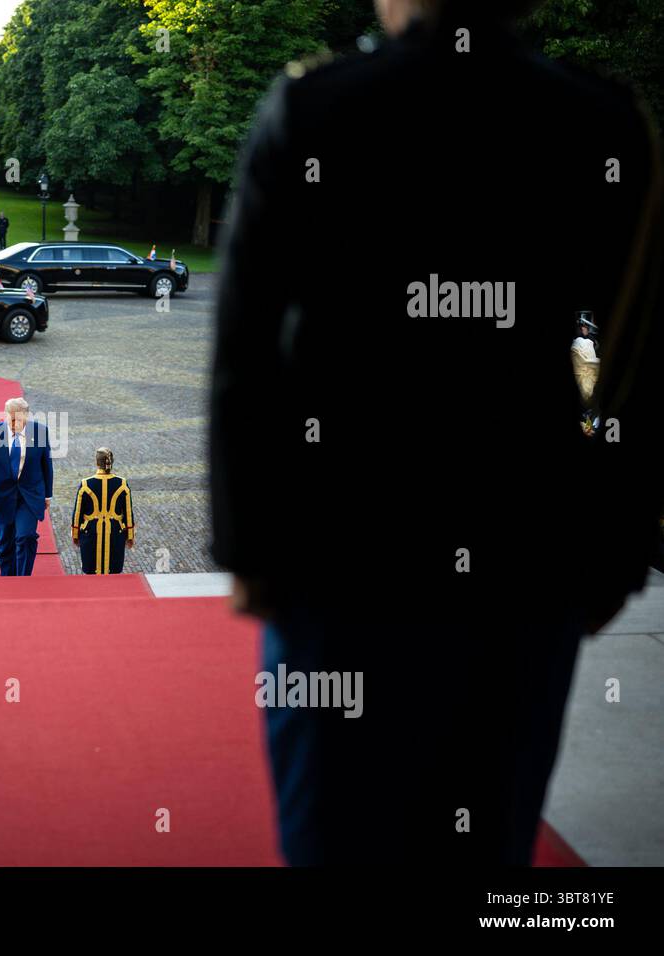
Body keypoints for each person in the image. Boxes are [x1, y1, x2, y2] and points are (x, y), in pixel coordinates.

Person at [209, 0, 664, 865]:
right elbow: (639, 368)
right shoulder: (604, 119)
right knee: (485, 845)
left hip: (338, 557)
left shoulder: (313, 107)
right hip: (524, 560)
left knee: (332, 837)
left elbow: (245, 353)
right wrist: (613, 552)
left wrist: (250, 549)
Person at [0, 397, 54, 576]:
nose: (12, 423)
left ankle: (23, 579)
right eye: (9, 418)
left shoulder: (40, 432)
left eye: (17, 419)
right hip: (2, 496)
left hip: (30, 495)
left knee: (25, 536)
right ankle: (8, 579)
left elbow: (46, 465)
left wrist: (47, 495)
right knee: (6, 543)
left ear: (26, 417)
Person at [71, 448, 134, 574]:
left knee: (91, 573)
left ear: (96, 462)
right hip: (115, 534)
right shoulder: (122, 484)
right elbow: (128, 513)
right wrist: (130, 536)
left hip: (90, 534)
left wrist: (75, 535)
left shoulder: (85, 484)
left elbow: (77, 513)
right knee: (114, 573)